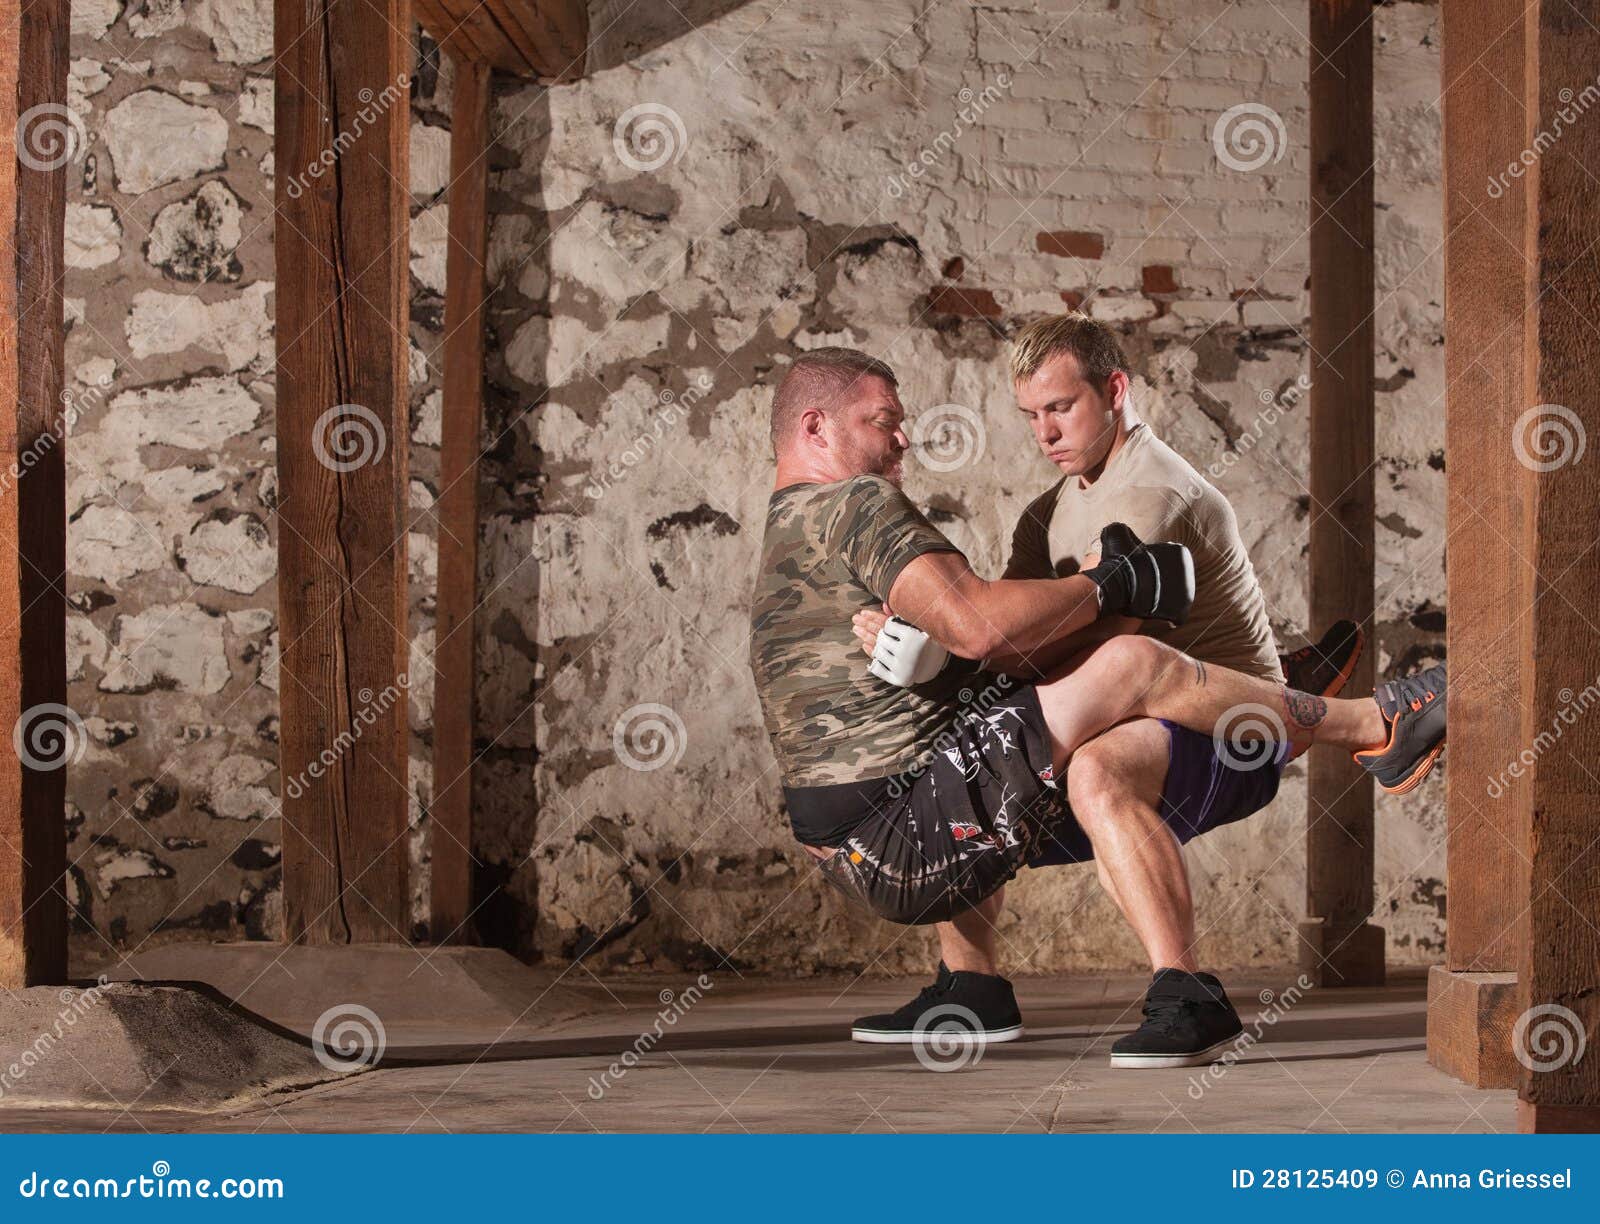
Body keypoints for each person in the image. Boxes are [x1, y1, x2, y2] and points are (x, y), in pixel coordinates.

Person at [747, 344, 1446, 1068]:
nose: (901, 438)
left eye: (1061, 407)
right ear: (816, 429)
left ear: (1114, 393)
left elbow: (994, 653)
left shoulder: (789, 525)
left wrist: (954, 659)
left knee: (1015, 732)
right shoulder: (856, 503)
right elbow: (986, 627)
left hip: (858, 852)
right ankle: (1373, 725)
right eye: (881, 421)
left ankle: (975, 991)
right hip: (906, 837)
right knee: (1124, 667)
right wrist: (1108, 582)